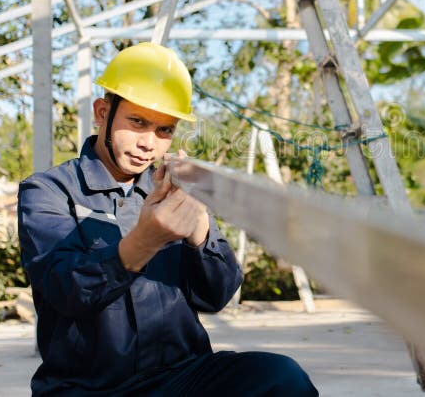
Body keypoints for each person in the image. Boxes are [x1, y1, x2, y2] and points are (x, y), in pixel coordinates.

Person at [18, 42, 318, 396]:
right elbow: (65, 291)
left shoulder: (175, 190)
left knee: (281, 377)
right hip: (89, 387)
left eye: (164, 130)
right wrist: (144, 240)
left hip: (181, 376)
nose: (149, 143)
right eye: (138, 122)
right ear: (102, 113)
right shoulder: (49, 192)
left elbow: (216, 296)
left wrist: (199, 231)